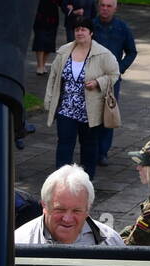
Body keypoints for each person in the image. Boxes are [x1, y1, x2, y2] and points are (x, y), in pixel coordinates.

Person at [43, 18, 119, 179]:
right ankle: (60, 181)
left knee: (89, 147)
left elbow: (114, 74)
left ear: (91, 32)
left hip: (90, 110)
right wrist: (49, 100)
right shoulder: (64, 51)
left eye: (83, 29)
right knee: (64, 145)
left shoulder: (103, 54)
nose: (79, 32)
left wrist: (99, 82)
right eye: (77, 29)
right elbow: (54, 76)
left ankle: (87, 181)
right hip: (66, 108)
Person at [15, 164, 124, 246]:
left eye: (76, 211)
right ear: (44, 206)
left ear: (87, 209)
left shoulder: (112, 242)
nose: (67, 219)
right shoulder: (18, 244)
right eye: (60, 210)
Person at [91, 0, 136, 166]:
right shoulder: (90, 26)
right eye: (102, 5)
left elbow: (132, 51)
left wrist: (120, 68)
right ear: (98, 7)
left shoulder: (122, 28)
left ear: (115, 8)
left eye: (109, 6)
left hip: (112, 80)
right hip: (91, 78)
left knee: (107, 116)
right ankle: (91, 150)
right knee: (90, 116)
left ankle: (102, 152)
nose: (105, 8)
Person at [33, 0, 63, 77]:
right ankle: (39, 65)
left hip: (52, 18)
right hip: (39, 17)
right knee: (40, 41)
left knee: (49, 43)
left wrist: (69, 7)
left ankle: (44, 64)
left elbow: (61, 0)